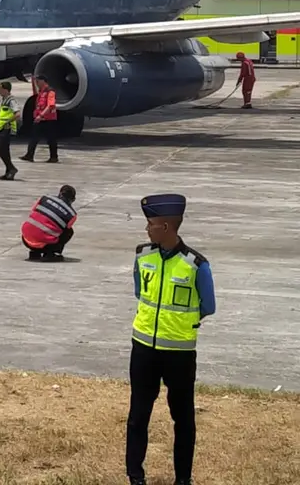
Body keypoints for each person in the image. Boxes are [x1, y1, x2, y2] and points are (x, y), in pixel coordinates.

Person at [126, 193, 215, 485]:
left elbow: (208, 305)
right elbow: (140, 292)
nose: (146, 229)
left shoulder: (196, 265)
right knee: (138, 415)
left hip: (178, 353)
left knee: (183, 418)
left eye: (150, 224)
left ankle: (183, 479)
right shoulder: (143, 256)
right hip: (143, 349)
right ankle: (135, 476)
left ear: (165, 227)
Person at [21, 185, 77, 261]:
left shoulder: (44, 198)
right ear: (73, 199)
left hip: (26, 239)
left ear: (60, 193)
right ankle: (51, 254)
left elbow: (33, 210)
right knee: (69, 232)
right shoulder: (72, 214)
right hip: (45, 246)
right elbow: (65, 229)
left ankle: (34, 253)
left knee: (37, 221)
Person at [21, 76, 59, 164]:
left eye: (38, 81)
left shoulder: (50, 92)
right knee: (34, 137)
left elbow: (50, 106)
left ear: (43, 81)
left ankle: (54, 157)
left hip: (49, 119)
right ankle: (29, 155)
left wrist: (41, 115)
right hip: (40, 119)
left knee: (51, 139)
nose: (37, 83)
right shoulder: (41, 92)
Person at [0, 81, 20, 180]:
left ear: (6, 90)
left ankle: (11, 168)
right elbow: (0, 116)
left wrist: (8, 121)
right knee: (5, 151)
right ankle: (8, 173)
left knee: (0, 149)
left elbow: (17, 114)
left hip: (7, 128)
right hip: (2, 128)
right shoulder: (4, 100)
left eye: (1, 89)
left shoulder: (11, 101)